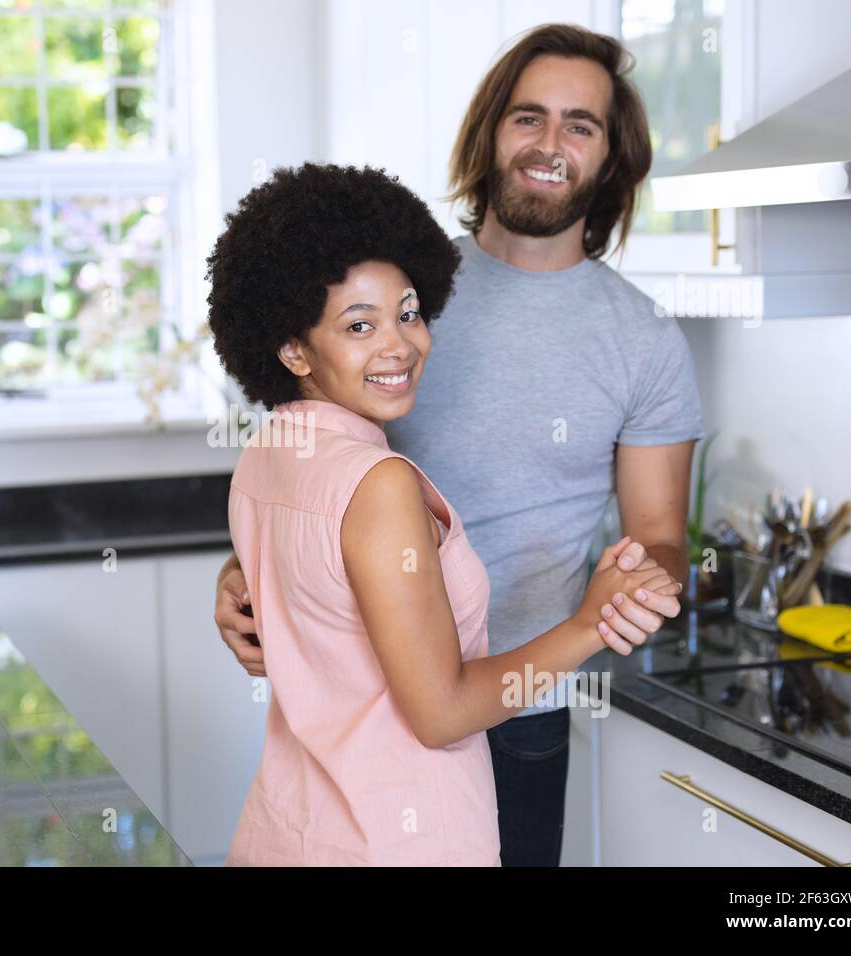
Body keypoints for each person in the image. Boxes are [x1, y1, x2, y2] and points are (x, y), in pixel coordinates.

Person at [214, 23, 704, 866]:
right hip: (370, 700)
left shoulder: (644, 340)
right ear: (491, 133)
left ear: (610, 159)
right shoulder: (396, 287)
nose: (550, 144)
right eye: (528, 117)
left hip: (523, 706)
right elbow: (316, 467)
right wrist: (246, 575)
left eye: (580, 125)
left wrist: (631, 592)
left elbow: (660, 535)